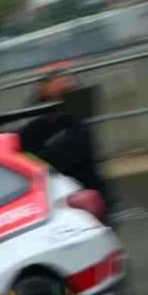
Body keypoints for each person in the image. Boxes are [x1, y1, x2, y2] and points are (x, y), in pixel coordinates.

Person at [18, 69, 111, 208]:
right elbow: (14, 145)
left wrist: (25, 161)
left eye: (65, 88)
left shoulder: (80, 125)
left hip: (87, 203)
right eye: (54, 85)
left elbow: (53, 160)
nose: (60, 88)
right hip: (55, 203)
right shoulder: (36, 127)